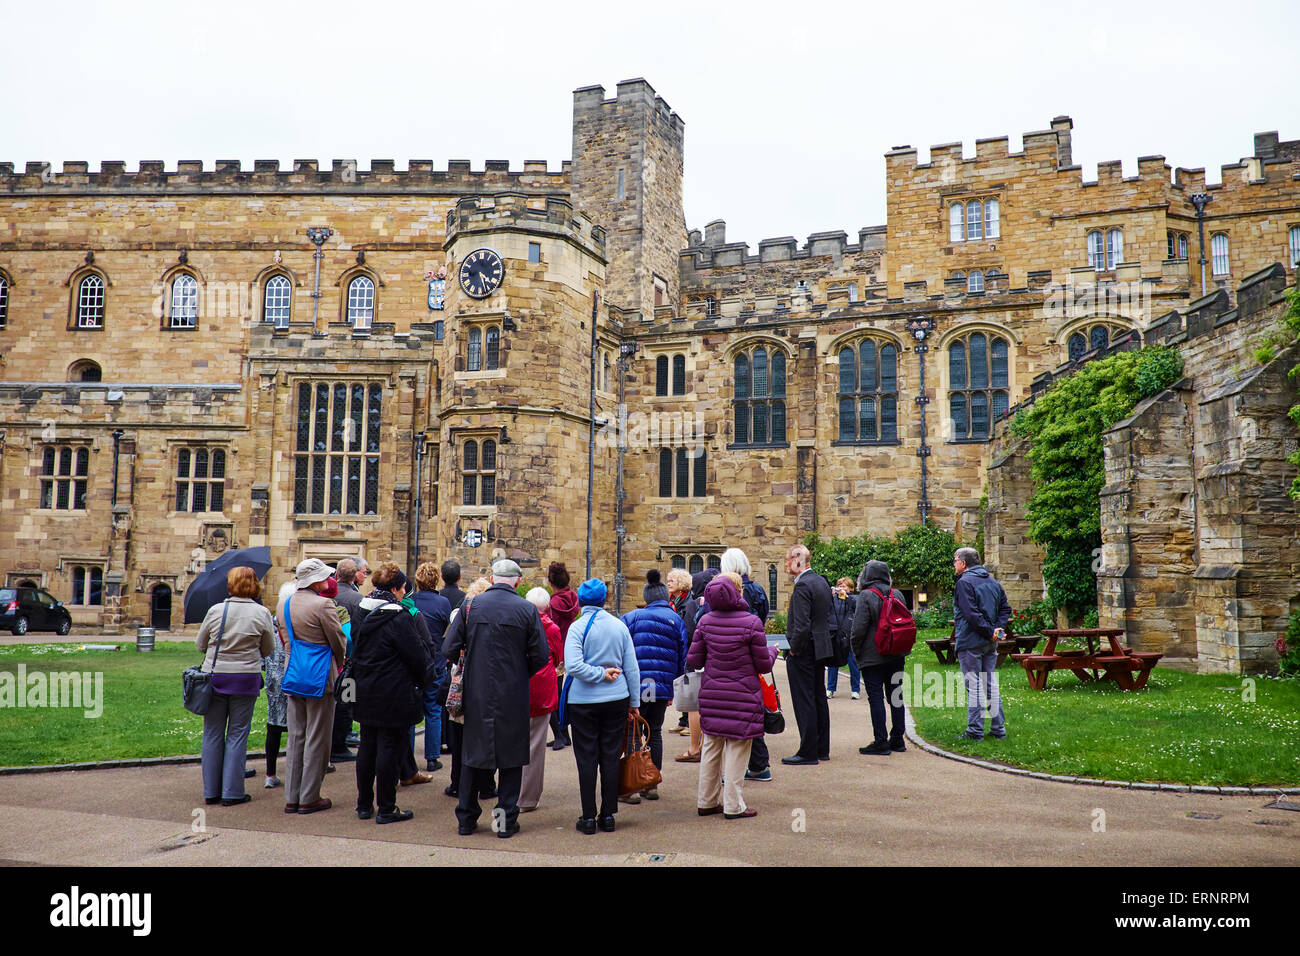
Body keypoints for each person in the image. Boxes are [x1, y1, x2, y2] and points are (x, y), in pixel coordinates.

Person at [441, 560, 549, 839]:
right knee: (511, 758)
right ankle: (503, 822)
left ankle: (466, 818)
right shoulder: (527, 609)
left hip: (477, 691)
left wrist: (470, 664)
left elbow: (449, 647)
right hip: (512, 692)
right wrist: (518, 672)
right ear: (516, 580)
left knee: (473, 755)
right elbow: (540, 656)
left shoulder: (470, 606)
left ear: (491, 577)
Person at [351, 563, 435, 824]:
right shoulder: (399, 616)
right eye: (402, 590)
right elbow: (416, 656)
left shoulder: (360, 610)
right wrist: (424, 678)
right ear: (398, 589)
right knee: (388, 746)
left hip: (365, 685)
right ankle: (386, 807)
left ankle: (364, 804)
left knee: (367, 745)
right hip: (392, 689)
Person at [688, 573, 777, 820]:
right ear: (736, 593)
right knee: (738, 748)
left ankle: (706, 801)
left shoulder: (704, 623)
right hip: (742, 696)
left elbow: (693, 660)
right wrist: (771, 652)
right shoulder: (751, 622)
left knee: (711, 748)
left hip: (713, 694)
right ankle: (733, 805)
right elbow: (763, 665)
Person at [564, 578, 640, 835]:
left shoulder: (577, 628)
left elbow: (572, 666)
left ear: (581, 601)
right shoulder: (619, 626)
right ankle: (608, 815)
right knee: (610, 755)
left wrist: (597, 674)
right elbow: (631, 667)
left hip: (583, 701)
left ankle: (587, 817)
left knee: (586, 758)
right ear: (604, 600)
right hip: (616, 699)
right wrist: (634, 702)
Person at [197, 566, 276, 807]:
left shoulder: (216, 610)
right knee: (237, 734)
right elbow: (269, 649)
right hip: (245, 677)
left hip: (216, 676)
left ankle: (211, 791)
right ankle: (232, 792)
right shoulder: (261, 612)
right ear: (254, 585)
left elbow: (201, 644)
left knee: (212, 733)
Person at [278, 558, 347, 814]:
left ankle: (292, 796)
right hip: (318, 675)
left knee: (296, 736)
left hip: (294, 672)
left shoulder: (285, 604)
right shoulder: (323, 604)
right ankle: (309, 796)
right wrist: (339, 664)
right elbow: (338, 640)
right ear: (315, 579)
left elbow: (286, 640)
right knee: (318, 736)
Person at [620, 569, 688, 802]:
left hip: (638, 686)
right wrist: (674, 686)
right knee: (654, 731)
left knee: (633, 732)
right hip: (660, 687)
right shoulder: (676, 620)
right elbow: (682, 657)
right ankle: (651, 784)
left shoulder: (630, 618)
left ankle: (631, 787)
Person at [718, 547, 773, 784]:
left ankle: (729, 772)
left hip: (728, 659)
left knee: (726, 713)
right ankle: (759, 765)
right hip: (751, 658)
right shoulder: (759, 590)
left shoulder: (723, 591)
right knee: (751, 709)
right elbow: (762, 618)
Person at [953, 547, 1012, 741]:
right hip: (989, 642)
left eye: (955, 560)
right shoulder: (992, 582)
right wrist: (996, 630)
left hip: (971, 641)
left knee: (975, 686)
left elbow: (970, 614)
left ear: (963, 563)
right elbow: (1005, 608)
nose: (953, 564)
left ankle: (975, 730)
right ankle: (998, 729)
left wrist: (990, 631)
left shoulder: (964, 583)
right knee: (989, 684)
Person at [443, 576, 494, 799]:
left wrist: (461, 662)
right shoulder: (492, 616)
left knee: (461, 733)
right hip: (486, 681)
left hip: (462, 678)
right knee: (484, 737)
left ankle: (459, 784)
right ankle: (486, 785)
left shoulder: (462, 613)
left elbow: (449, 648)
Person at [781, 544, 832, 766]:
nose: (785, 564)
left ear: (798, 560)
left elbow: (801, 626)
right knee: (818, 696)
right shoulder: (820, 581)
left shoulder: (802, 586)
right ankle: (822, 748)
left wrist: (793, 648)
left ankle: (808, 751)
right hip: (819, 647)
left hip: (804, 650)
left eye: (787, 560)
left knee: (805, 700)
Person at [851, 561, 908, 754]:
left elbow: (858, 629)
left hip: (872, 655)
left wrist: (856, 650)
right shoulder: (897, 593)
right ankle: (898, 739)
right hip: (896, 652)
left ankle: (881, 741)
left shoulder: (866, 596)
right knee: (896, 696)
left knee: (876, 697)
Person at [519, 587, 564, 812]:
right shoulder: (552, 628)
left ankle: (513, 791)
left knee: (515, 740)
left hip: (519, 683)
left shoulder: (519, 623)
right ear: (547, 606)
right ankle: (528, 798)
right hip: (543, 685)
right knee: (536, 743)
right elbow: (557, 657)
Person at [674, 567, 718, 763]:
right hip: (715, 662)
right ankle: (704, 746)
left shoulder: (693, 605)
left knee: (695, 706)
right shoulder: (717, 603)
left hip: (696, 660)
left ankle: (695, 748)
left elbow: (689, 635)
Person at [412, 562, 451, 772]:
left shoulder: (411, 601)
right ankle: (432, 758)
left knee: (411, 712)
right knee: (433, 710)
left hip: (413, 661)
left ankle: (408, 758)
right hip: (435, 661)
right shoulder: (443, 603)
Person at [330, 558, 368, 756]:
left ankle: (335, 740)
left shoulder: (329, 594)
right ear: (354, 576)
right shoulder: (358, 600)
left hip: (328, 656)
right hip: (348, 659)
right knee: (345, 701)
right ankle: (339, 744)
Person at [263, 581, 294, 789]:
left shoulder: (271, 621)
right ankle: (294, 772)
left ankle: (270, 774)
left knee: (273, 726)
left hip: (274, 680)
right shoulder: (295, 621)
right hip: (293, 678)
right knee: (297, 728)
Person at [547, 561, 580, 750]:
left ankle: (560, 734)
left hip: (556, 652)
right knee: (561, 694)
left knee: (553, 695)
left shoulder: (553, 603)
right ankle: (563, 734)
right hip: (571, 649)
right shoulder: (573, 598)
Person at [665, 568, 694, 737]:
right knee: (681, 685)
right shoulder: (672, 601)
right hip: (676, 648)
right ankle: (683, 721)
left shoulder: (688, 602)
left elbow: (685, 627)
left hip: (686, 648)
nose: (668, 583)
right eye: (668, 580)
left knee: (688, 685)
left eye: (672, 581)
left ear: (681, 584)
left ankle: (690, 723)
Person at [827, 577, 861, 700]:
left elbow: (857, 607)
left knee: (853, 662)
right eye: (839, 585)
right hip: (835, 633)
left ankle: (855, 689)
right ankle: (830, 689)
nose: (841, 588)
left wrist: (846, 596)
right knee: (832, 663)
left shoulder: (854, 598)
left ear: (850, 588)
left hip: (849, 634)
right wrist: (828, 595)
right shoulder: (833, 598)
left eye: (844, 586)